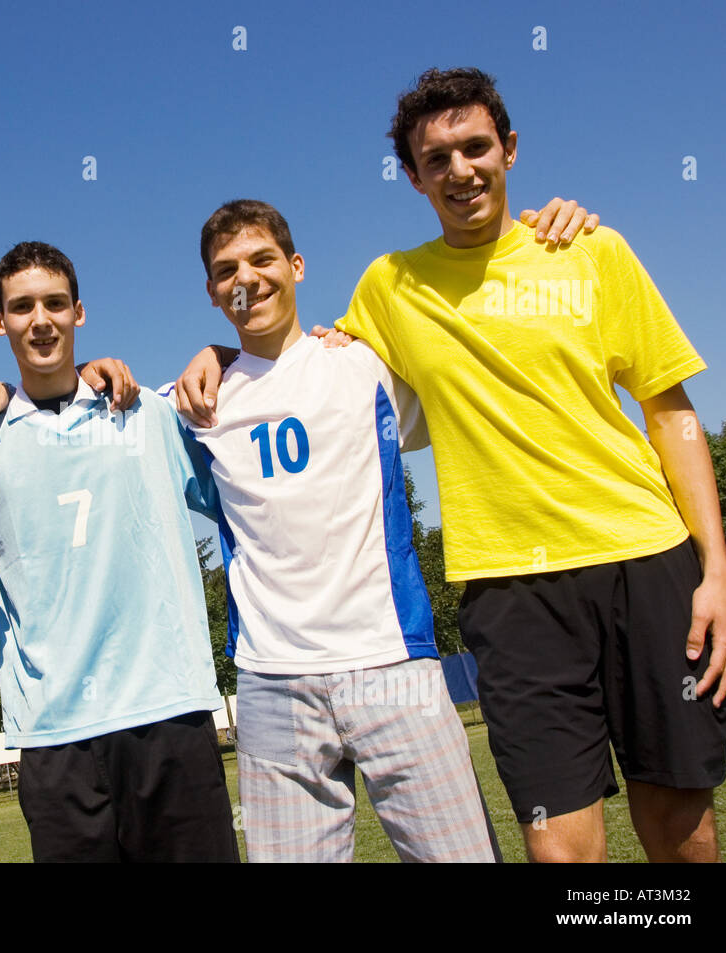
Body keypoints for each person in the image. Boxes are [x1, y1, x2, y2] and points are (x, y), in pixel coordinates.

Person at [188, 68, 726, 862]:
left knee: (681, 829)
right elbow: (292, 365)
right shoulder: (390, 285)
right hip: (509, 589)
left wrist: (714, 567)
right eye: (436, 159)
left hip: (644, 557)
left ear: (509, 150)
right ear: (413, 176)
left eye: (476, 147)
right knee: (558, 849)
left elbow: (671, 413)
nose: (460, 170)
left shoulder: (590, 249)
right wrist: (217, 353)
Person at [162, 199, 500, 861]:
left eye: (263, 259)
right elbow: (94, 400)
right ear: (210, 292)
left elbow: (485, 336)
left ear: (296, 265)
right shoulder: (195, 406)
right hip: (271, 680)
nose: (247, 278)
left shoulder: (368, 365)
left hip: (391, 660)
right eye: (227, 269)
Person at [0, 241, 239, 862]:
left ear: (79, 313)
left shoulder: (147, 414)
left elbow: (264, 379)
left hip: (170, 713)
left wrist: (218, 351)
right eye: (22, 306)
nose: (41, 320)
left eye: (55, 303)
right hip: (55, 739)